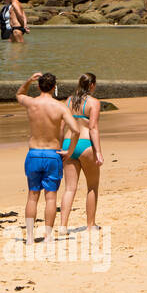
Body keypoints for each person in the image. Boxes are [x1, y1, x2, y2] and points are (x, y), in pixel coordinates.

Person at [16, 71, 78, 246]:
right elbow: (76, 130)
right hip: (52, 154)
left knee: (32, 196)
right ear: (54, 87)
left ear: (38, 86)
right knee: (51, 197)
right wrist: (69, 151)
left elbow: (19, 94)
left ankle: (29, 237)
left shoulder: (31, 103)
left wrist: (28, 79)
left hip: (34, 153)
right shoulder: (60, 107)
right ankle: (48, 236)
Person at [57, 73, 103, 235]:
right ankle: (90, 225)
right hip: (85, 144)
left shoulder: (69, 101)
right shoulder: (93, 103)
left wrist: (60, 146)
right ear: (92, 85)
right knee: (92, 186)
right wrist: (98, 152)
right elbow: (93, 128)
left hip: (69, 144)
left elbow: (61, 126)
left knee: (69, 188)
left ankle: (63, 225)